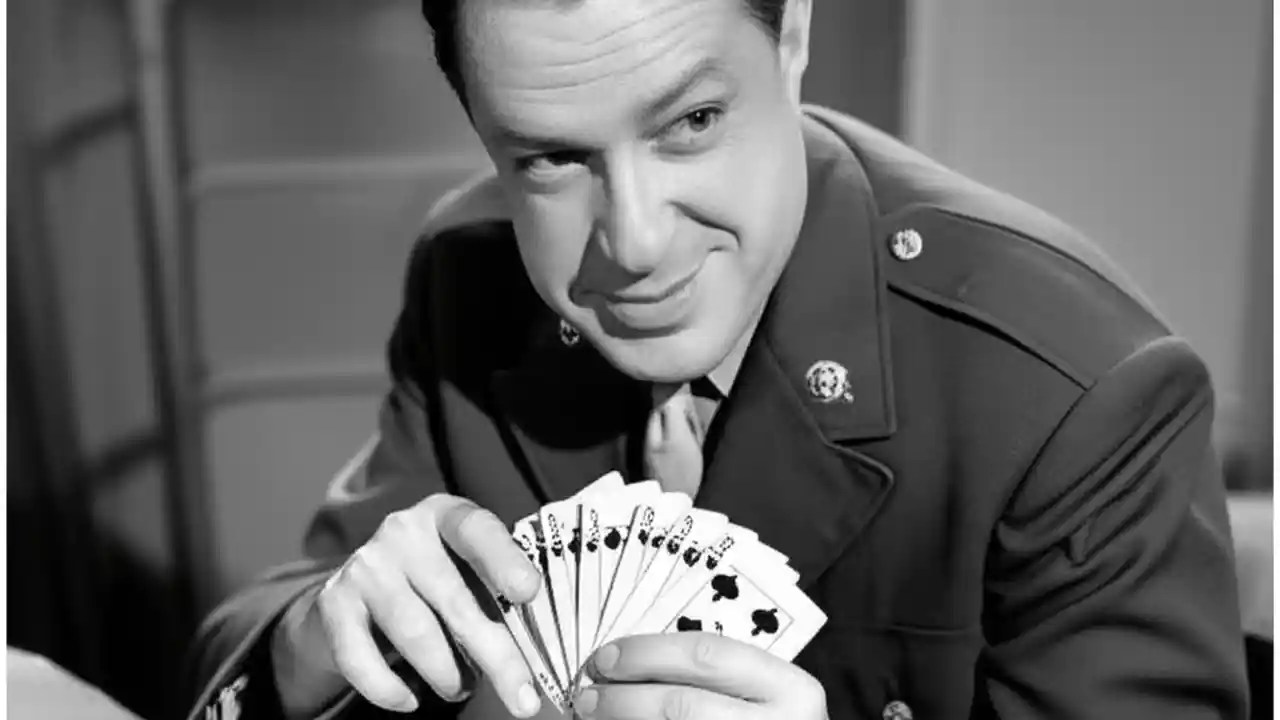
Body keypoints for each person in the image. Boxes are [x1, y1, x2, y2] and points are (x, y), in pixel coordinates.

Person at [186, 0, 1250, 718]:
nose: (636, 241)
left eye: (690, 122)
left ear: (791, 36)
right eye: (551, 159)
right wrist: (311, 645)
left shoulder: (1079, 396)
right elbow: (255, 637)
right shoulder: (466, 278)